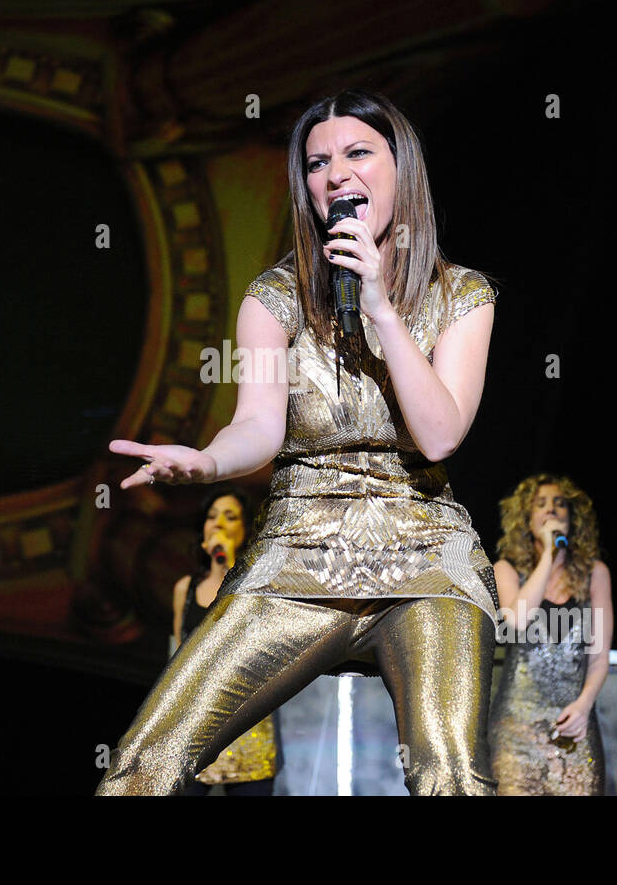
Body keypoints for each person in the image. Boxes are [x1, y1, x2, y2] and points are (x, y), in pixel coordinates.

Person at [96, 88, 501, 796]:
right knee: (143, 760)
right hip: (298, 556)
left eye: (357, 153)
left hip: (426, 560)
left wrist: (379, 306)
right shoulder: (273, 298)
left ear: (400, 168)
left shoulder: (461, 294)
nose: (336, 174)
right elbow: (255, 428)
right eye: (317, 162)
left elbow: (440, 435)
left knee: (451, 775)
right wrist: (206, 460)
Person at [488, 473, 613, 795]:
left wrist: (584, 706)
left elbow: (598, 657)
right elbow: (516, 621)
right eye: (540, 505)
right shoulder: (507, 568)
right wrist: (547, 556)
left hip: (574, 725)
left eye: (560, 505)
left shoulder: (594, 573)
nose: (552, 511)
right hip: (517, 729)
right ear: (526, 519)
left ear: (573, 519)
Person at [174, 488, 281, 796]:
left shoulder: (260, 586)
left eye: (230, 517)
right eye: (211, 517)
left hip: (247, 730)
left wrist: (231, 567)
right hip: (193, 732)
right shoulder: (184, 588)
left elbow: (257, 645)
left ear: (245, 529)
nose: (218, 523)